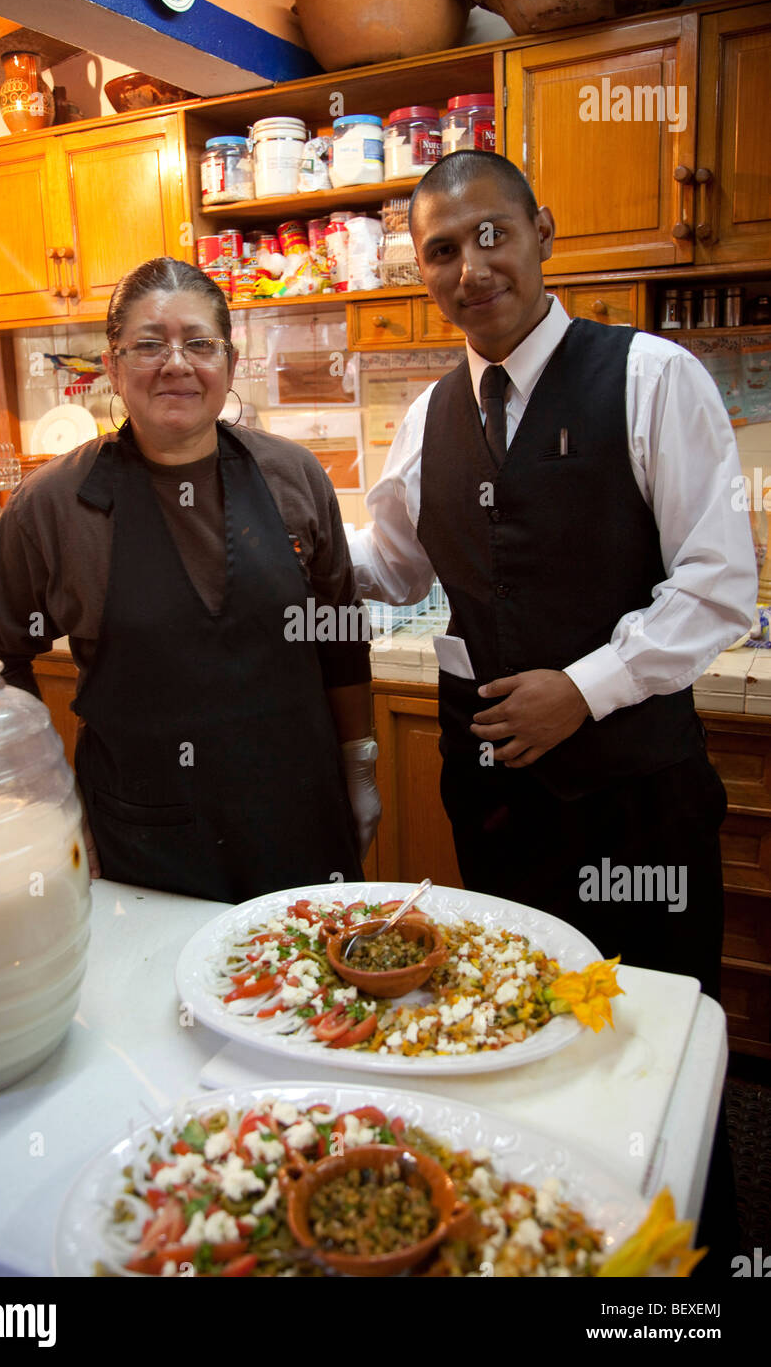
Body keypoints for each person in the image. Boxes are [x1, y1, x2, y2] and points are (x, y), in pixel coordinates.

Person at [350, 151, 756, 1274]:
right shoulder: (430, 412)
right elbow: (389, 564)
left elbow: (719, 580)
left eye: (491, 235)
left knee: (654, 1053)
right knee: (522, 1041)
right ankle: (550, 1254)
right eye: (441, 249)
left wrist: (582, 688)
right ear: (421, 268)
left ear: (541, 232)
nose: (470, 266)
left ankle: (690, 1276)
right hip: (494, 805)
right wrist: (264, 518)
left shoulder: (650, 376)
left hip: (633, 804)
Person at [0, 257, 380, 904]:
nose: (176, 363)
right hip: (147, 838)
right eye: (149, 344)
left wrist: (359, 764)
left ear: (230, 365)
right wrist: (47, 798)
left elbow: (341, 635)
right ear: (115, 366)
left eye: (198, 343)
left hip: (300, 821)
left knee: (310, 997)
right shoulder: (54, 504)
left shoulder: (293, 476)